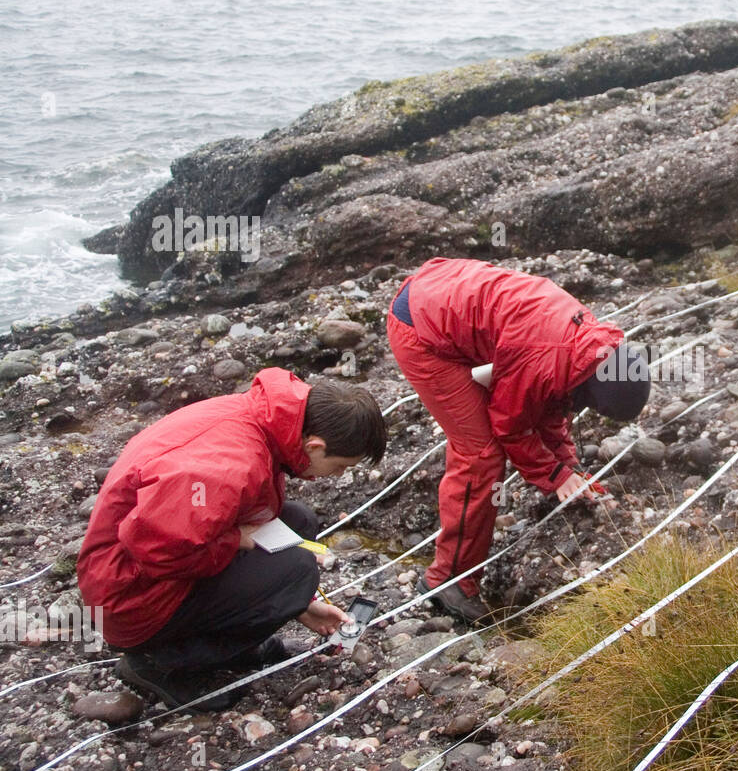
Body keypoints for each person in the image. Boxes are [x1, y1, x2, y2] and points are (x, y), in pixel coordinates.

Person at [77, 368, 387, 712]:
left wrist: (301, 606)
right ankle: (159, 661)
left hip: (143, 567)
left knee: (298, 524)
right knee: (298, 570)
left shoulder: (264, 420)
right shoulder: (232, 466)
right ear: (315, 445)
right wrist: (235, 539)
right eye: (341, 466)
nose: (338, 475)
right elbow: (157, 552)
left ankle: (231, 647)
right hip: (128, 598)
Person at [387, 257, 651, 624]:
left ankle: (454, 571)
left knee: (505, 422)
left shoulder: (587, 346)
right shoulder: (543, 359)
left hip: (440, 290)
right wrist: (553, 474)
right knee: (480, 453)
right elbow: (510, 424)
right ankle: (448, 579)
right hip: (421, 328)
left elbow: (548, 404)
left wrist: (568, 468)